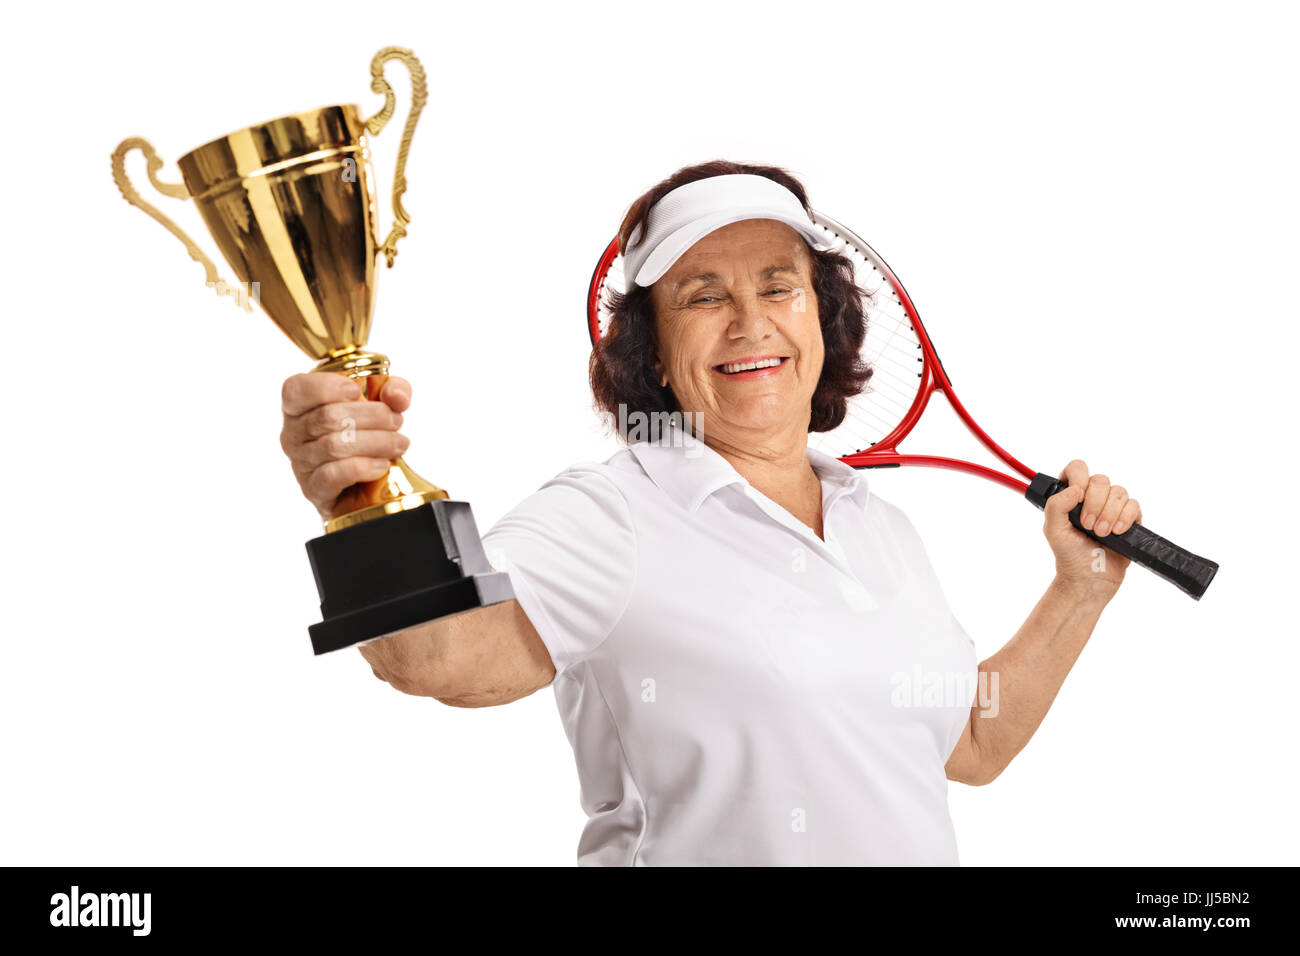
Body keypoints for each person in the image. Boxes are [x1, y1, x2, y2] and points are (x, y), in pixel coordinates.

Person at [278, 160, 1143, 866]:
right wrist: (358, 499)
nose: (749, 324)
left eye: (779, 288)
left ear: (823, 315)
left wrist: (1080, 588)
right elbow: (438, 660)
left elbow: (971, 747)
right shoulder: (608, 514)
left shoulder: (880, 526)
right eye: (702, 296)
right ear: (651, 350)